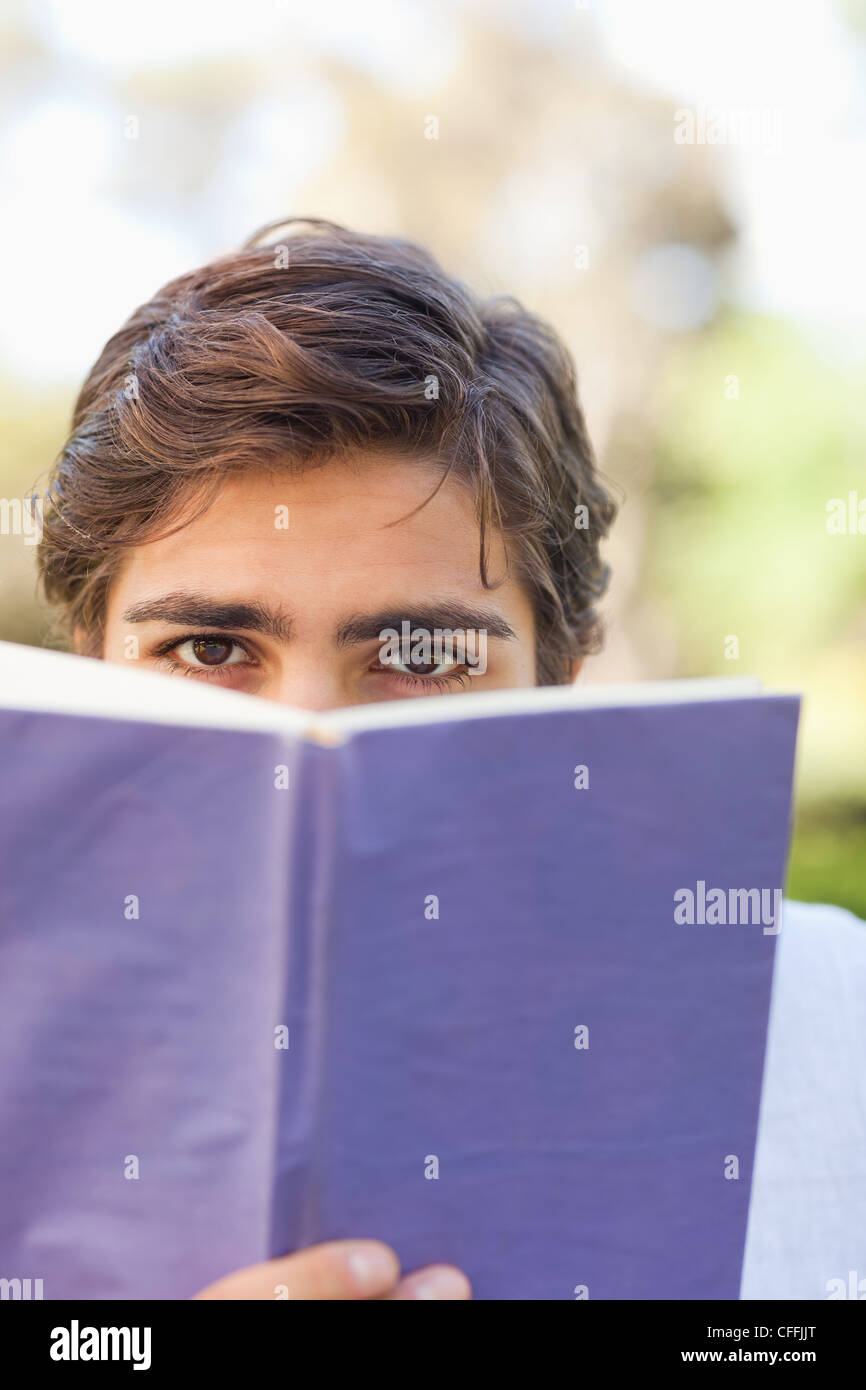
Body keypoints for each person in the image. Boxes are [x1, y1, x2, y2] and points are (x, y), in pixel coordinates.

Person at [36, 217, 866, 1301]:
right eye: (208, 647)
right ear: (89, 673)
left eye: (418, 654)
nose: (305, 740)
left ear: (558, 684)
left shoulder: (827, 1024)